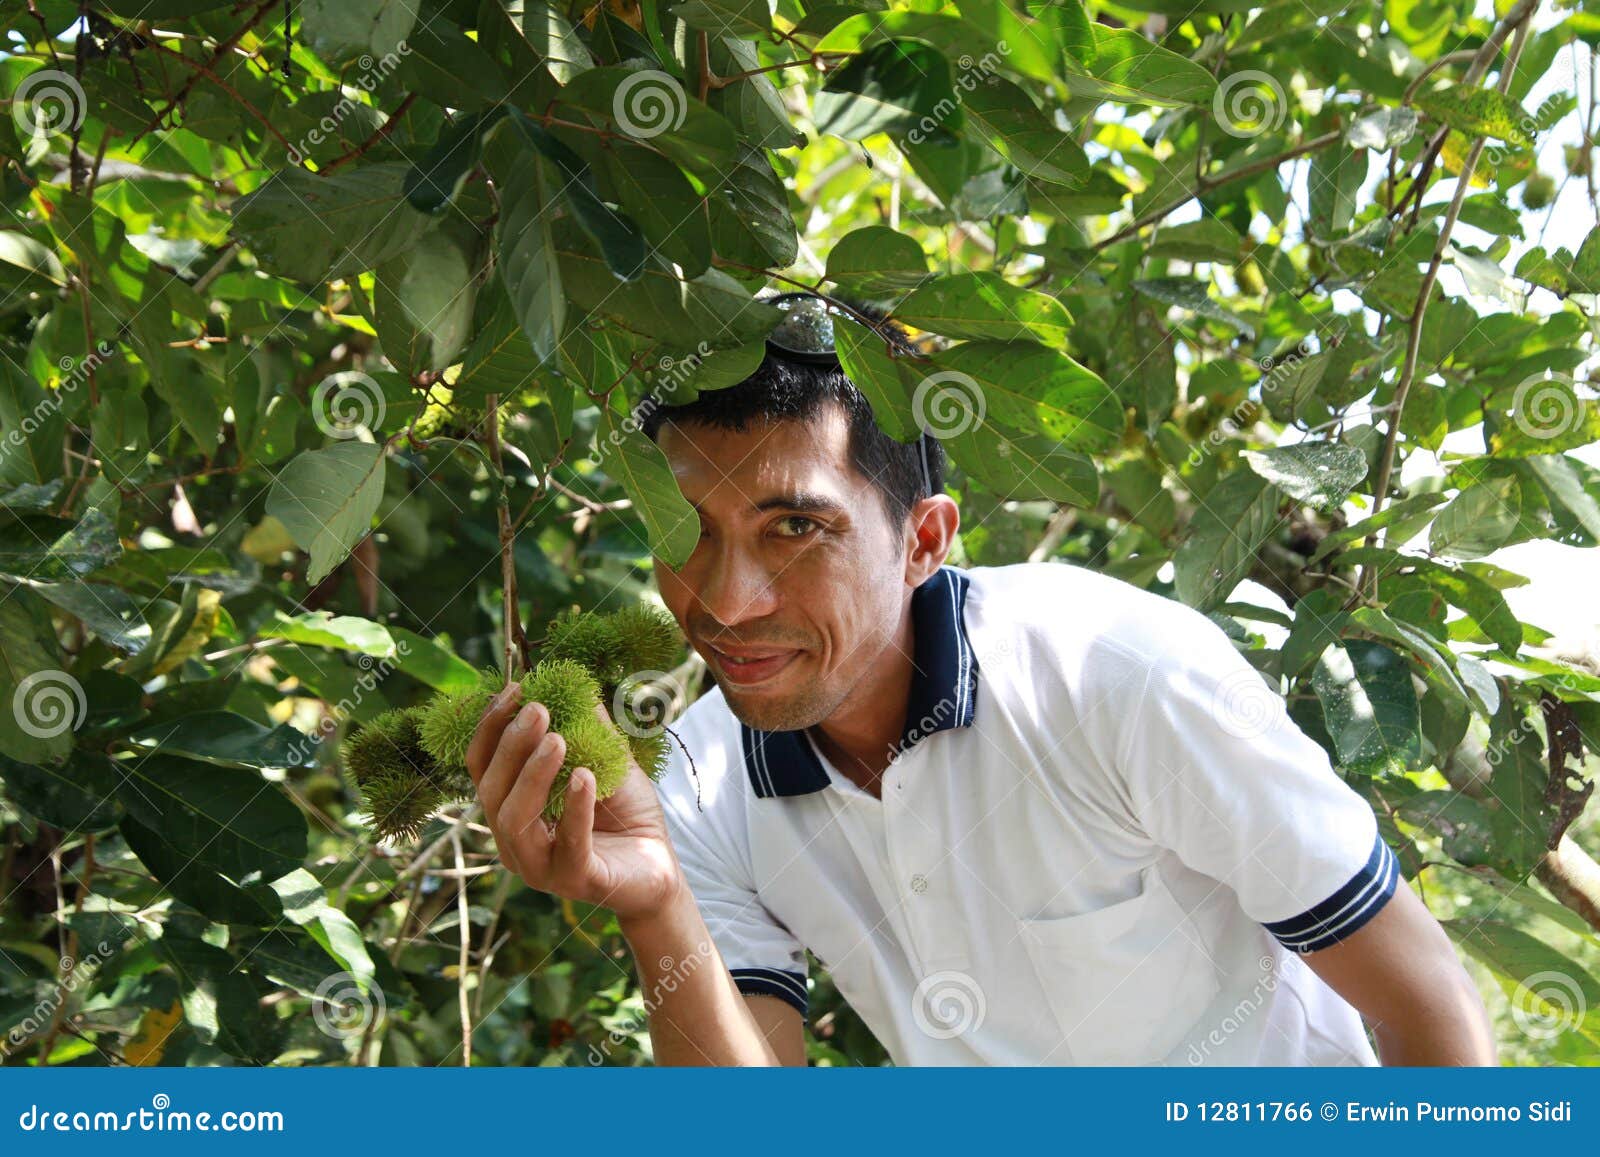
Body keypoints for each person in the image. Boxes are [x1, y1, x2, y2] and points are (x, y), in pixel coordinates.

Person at [465, 295, 1495, 1066]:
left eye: (796, 528)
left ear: (923, 540)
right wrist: (651, 905)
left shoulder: (1117, 674)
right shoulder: (692, 778)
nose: (727, 602)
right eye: (682, 532)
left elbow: (1424, 1006)